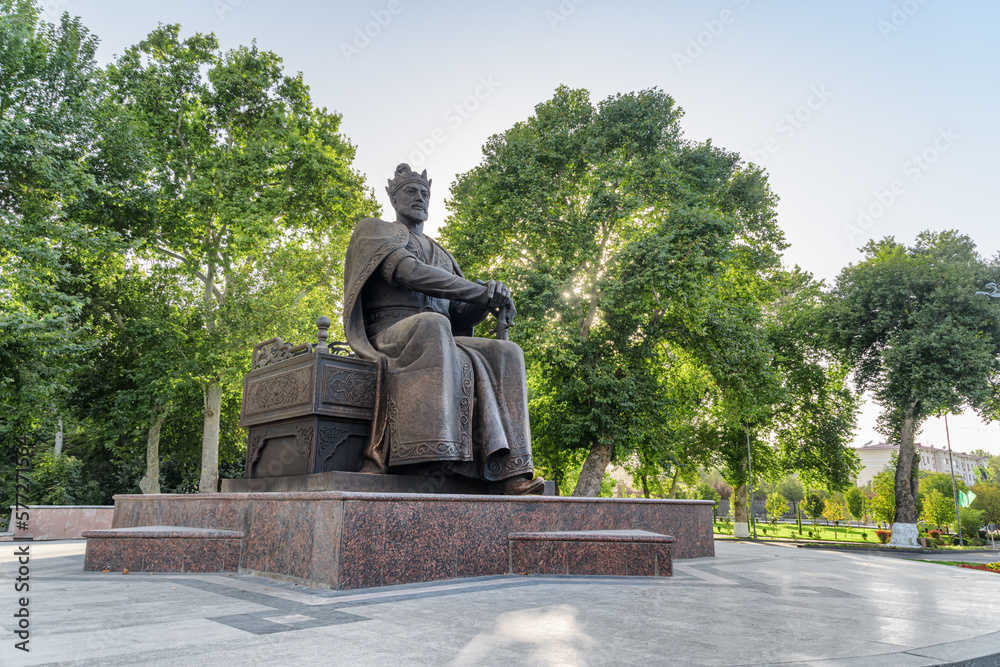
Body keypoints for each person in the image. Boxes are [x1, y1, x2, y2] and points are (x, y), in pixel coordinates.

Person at [342, 164, 544, 494]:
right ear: (394, 199)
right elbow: (409, 272)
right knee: (432, 324)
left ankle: (509, 472)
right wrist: (475, 289)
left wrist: (490, 296)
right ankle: (429, 455)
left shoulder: (443, 254)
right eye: (411, 191)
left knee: (508, 351)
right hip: (388, 334)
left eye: (425, 193)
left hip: (438, 336)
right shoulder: (374, 229)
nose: (419, 197)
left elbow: (461, 311)